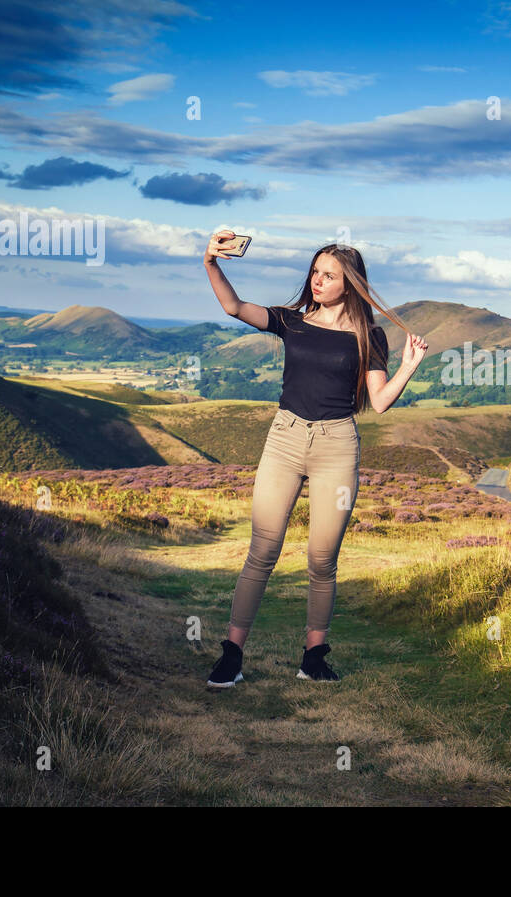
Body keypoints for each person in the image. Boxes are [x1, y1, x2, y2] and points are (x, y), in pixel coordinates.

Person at [201, 230, 429, 687]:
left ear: (351, 284)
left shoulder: (370, 335)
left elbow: (379, 402)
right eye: (315, 271)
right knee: (262, 550)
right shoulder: (292, 321)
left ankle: (314, 658)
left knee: (322, 560)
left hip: (337, 446)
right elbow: (233, 306)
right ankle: (231, 655)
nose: (318, 280)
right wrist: (210, 262)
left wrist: (408, 366)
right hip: (284, 440)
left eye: (329, 275)